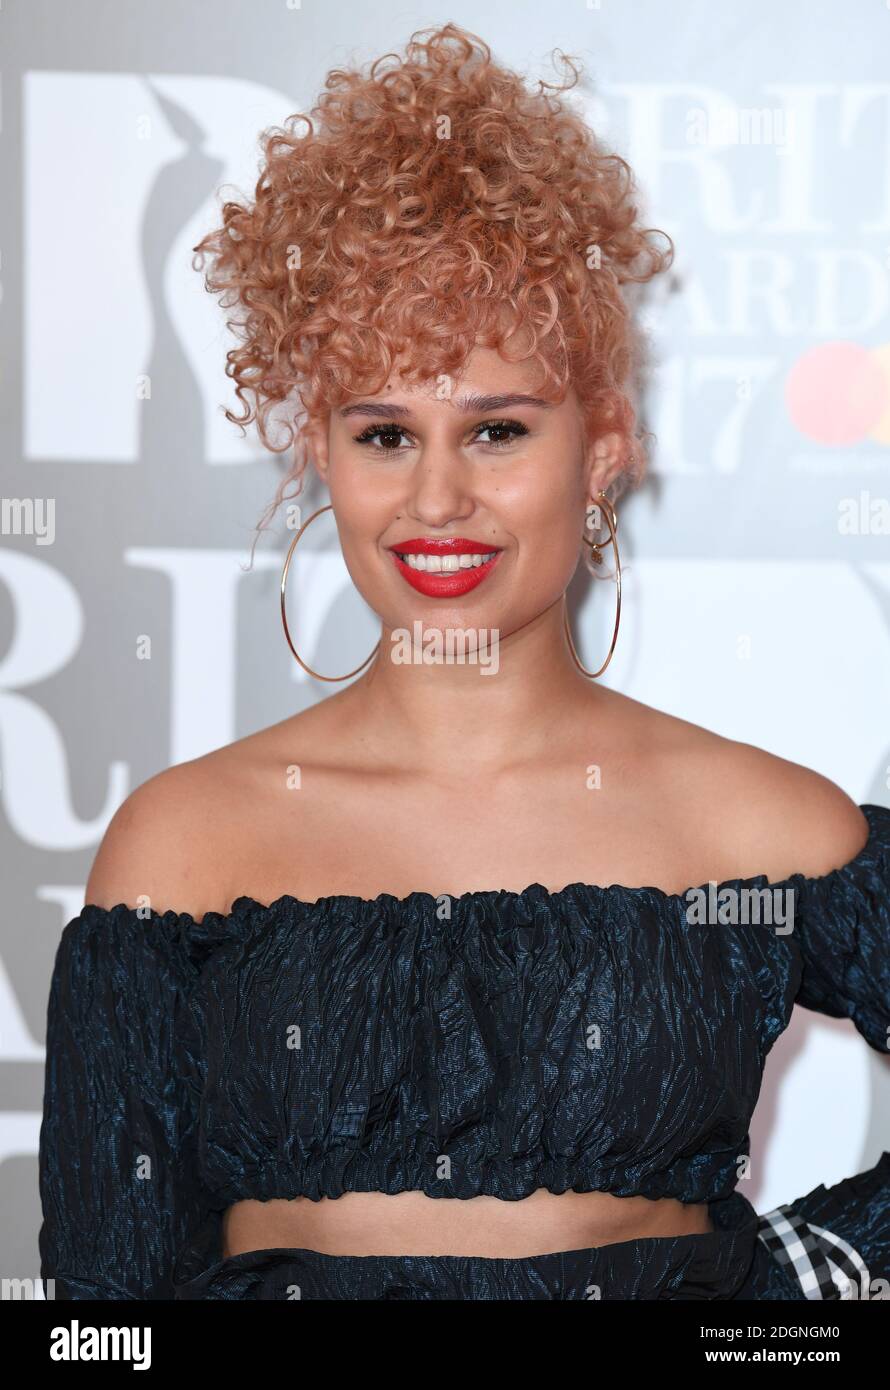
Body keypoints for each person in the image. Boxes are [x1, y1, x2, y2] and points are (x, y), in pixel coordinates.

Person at [38, 22, 889, 1300]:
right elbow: (103, 1311)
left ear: (601, 444)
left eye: (496, 428)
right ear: (313, 452)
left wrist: (779, 1299)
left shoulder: (753, 825)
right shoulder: (181, 844)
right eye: (383, 432)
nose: (435, 499)